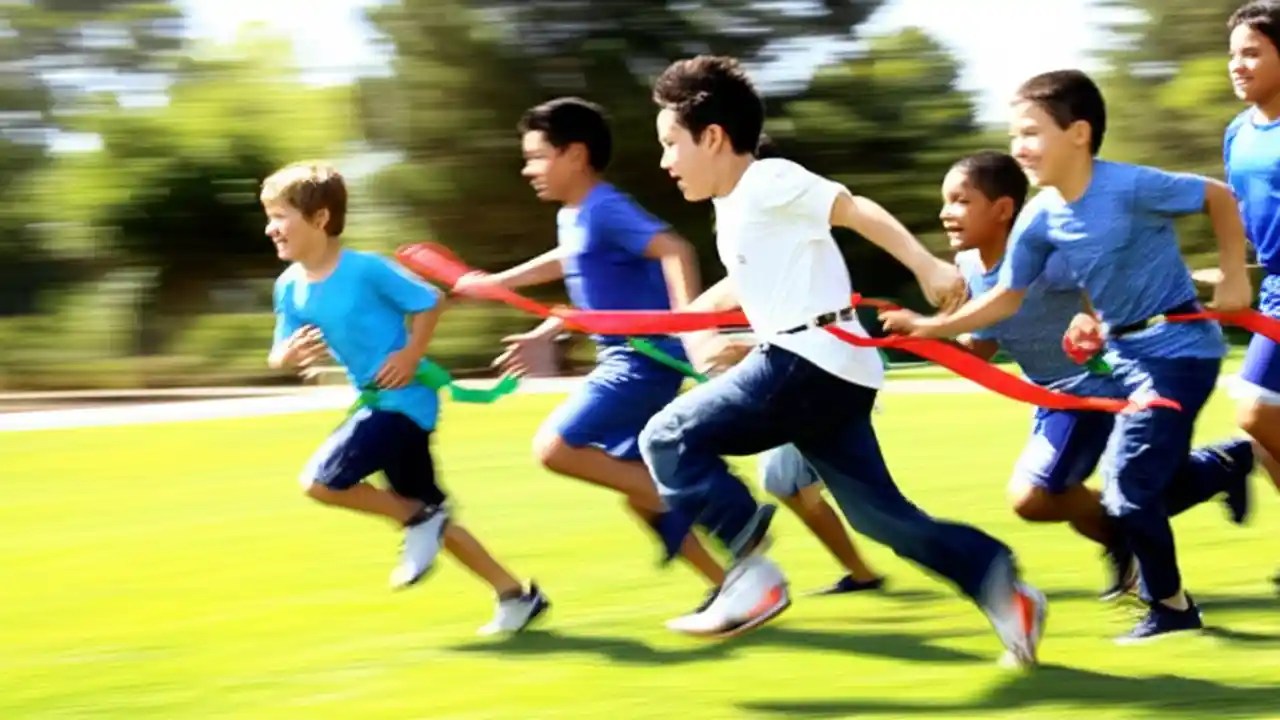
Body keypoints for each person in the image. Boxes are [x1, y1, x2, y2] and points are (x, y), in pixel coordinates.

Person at [640, 55, 1048, 667]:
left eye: (672, 144)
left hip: (804, 363)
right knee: (882, 520)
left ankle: (750, 574)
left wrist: (927, 266)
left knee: (666, 436)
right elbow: (744, 280)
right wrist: (682, 321)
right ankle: (998, 583)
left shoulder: (768, 180)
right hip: (829, 373)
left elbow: (854, 208)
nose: (666, 161)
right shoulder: (737, 206)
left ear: (715, 137)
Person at [882, 69, 1254, 642]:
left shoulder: (1129, 186)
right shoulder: (1039, 216)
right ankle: (1226, 464)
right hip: (1128, 356)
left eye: (1031, 133)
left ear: (1078, 134)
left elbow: (1218, 196)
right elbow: (1004, 299)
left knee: (1129, 491)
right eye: (1013, 137)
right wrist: (931, 327)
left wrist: (1233, 275)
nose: (1020, 148)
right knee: (1142, 490)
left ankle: (1174, 609)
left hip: (1180, 351)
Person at [450, 97, 727, 623]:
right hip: (622, 357)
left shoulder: (604, 207)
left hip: (644, 359)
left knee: (555, 448)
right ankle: (729, 583)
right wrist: (531, 318)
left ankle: (704, 497)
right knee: (635, 492)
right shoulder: (573, 217)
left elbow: (675, 249)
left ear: (575, 155)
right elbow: (579, 280)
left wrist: (693, 325)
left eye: (537, 157)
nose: (528, 169)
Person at [940, 150, 1254, 600]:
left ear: (1002, 209)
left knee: (1037, 496)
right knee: (1132, 488)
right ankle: (1222, 465)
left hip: (1098, 386)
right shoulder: (969, 269)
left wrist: (1095, 326)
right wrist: (931, 333)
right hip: (1052, 399)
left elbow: (1103, 276)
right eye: (945, 201)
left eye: (959, 200)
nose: (945, 213)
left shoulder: (1050, 253)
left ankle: (1138, 546)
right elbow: (983, 348)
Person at [264, 161, 547, 636]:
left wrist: (411, 355)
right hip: (376, 402)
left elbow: (430, 300)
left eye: (280, 216)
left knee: (321, 482)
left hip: (405, 405)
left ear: (320, 219)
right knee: (428, 515)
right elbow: (277, 351)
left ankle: (421, 520)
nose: (271, 228)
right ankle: (517, 596)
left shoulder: (365, 269)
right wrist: (287, 354)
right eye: (268, 216)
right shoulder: (288, 287)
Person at [1225, 0, 1280, 592]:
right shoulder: (1238, 133)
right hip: (1273, 288)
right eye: (1234, 55)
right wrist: (1233, 271)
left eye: (1253, 53)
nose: (1238, 66)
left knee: (1255, 409)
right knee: (1262, 435)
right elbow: (1244, 215)